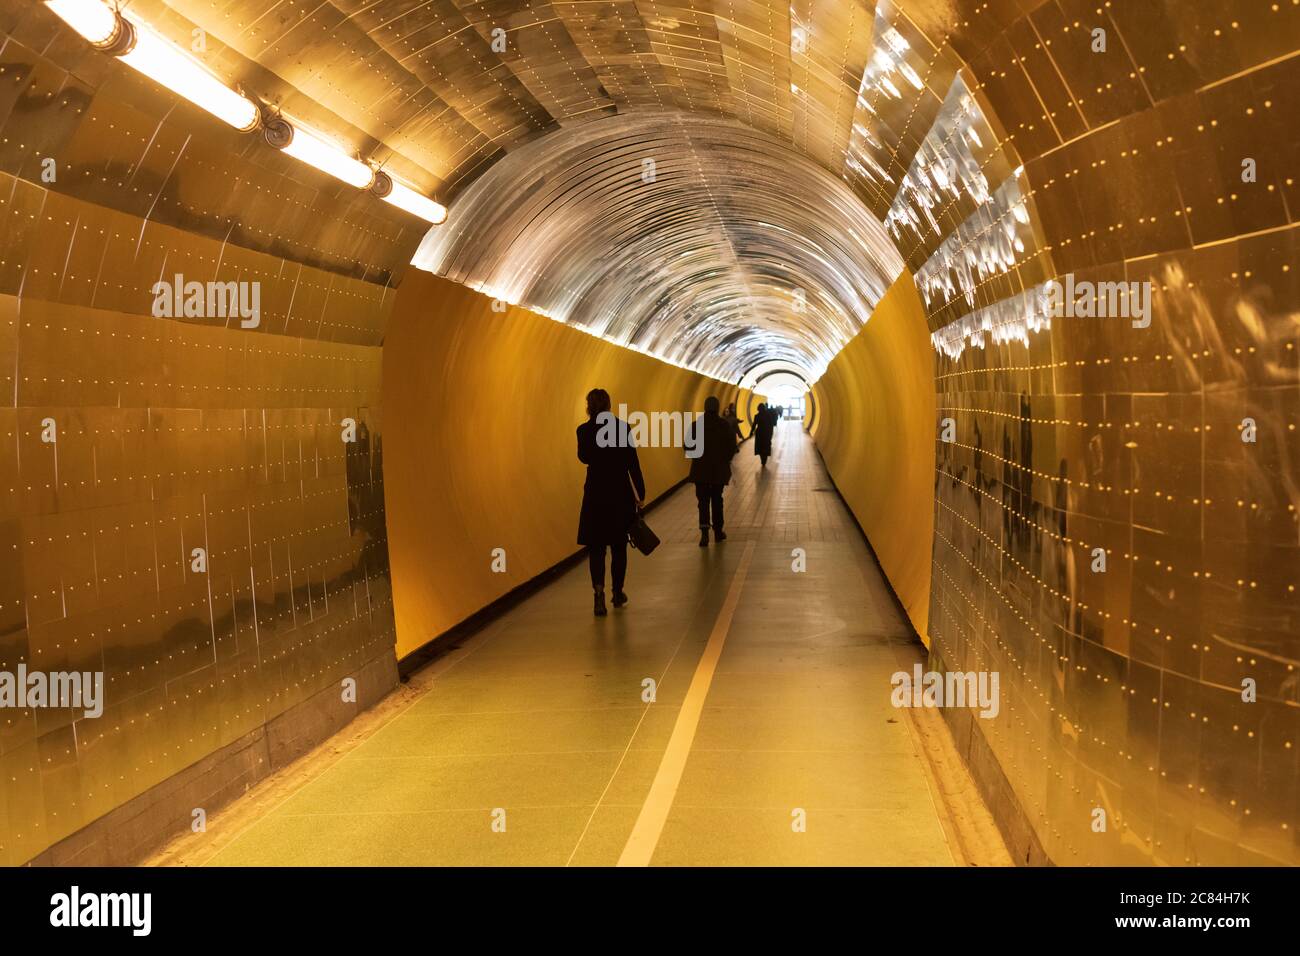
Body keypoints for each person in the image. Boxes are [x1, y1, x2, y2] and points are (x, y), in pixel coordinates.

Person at [577, 388, 645, 616]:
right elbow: (632, 462)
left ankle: (598, 595)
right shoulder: (622, 428)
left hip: (595, 494)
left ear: (589, 406)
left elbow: (584, 457)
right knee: (618, 547)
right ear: (608, 405)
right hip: (620, 495)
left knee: (596, 548)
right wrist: (641, 493)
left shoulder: (584, 431)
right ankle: (617, 592)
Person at [687, 396, 737, 547]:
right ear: (717, 407)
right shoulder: (724, 425)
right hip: (718, 471)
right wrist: (725, 460)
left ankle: (704, 534)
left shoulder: (696, 426)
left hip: (700, 471)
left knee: (702, 502)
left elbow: (688, 447)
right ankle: (718, 531)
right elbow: (731, 447)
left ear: (704, 407)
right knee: (717, 500)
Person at [752, 402, 776, 467]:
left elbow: (754, 425)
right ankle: (764, 460)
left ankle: (762, 460)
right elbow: (771, 425)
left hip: (759, 433)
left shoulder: (756, 416)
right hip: (766, 433)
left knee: (759, 447)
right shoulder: (768, 415)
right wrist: (771, 433)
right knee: (765, 447)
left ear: (758, 409)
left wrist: (750, 433)